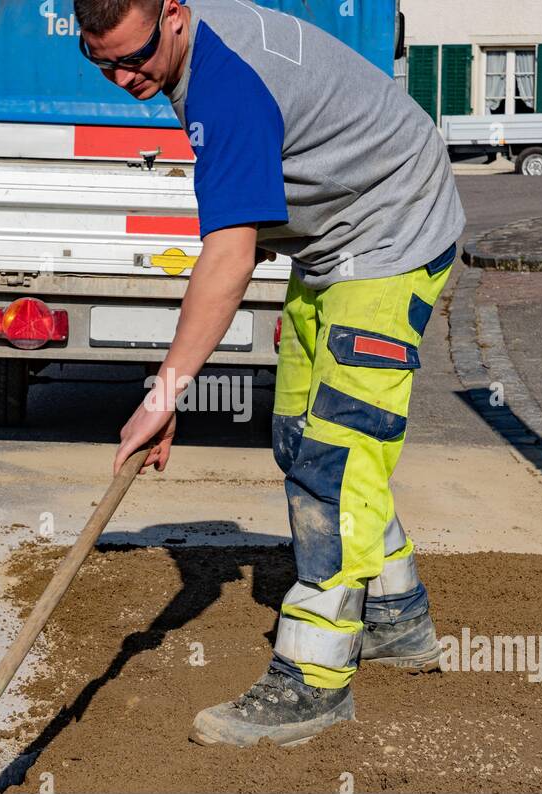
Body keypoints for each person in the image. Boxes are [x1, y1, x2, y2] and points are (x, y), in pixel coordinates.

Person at [78, 0, 466, 747]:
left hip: (393, 235)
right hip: (332, 247)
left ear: (175, 14)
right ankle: (395, 619)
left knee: (338, 455)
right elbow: (245, 232)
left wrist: (163, 394)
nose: (125, 77)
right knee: (299, 432)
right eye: (103, 64)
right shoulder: (190, 56)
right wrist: (178, 383)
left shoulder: (226, 85)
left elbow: (229, 255)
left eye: (135, 56)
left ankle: (314, 683)